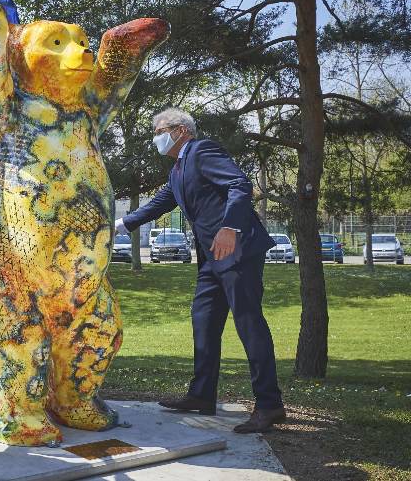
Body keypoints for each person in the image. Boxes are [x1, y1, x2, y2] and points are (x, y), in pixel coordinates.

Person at [115, 107, 286, 434]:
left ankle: (269, 405)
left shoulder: (202, 151)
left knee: (249, 325)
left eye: (159, 131)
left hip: (236, 250)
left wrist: (230, 228)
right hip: (211, 259)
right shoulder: (178, 170)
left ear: (180, 130)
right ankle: (201, 395)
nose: (156, 139)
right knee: (204, 321)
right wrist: (120, 225)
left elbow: (240, 184)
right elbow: (161, 203)